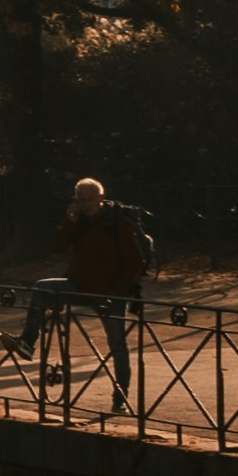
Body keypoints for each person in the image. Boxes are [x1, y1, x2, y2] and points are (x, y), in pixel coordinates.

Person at [62, 170, 152, 407]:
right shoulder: (79, 222)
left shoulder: (118, 223)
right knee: (44, 290)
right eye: (81, 199)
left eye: (90, 198)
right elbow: (56, 246)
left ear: (101, 198)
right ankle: (28, 340)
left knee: (118, 345)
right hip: (83, 287)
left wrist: (116, 291)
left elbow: (136, 261)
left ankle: (120, 397)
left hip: (112, 294)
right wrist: (70, 223)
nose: (86, 203)